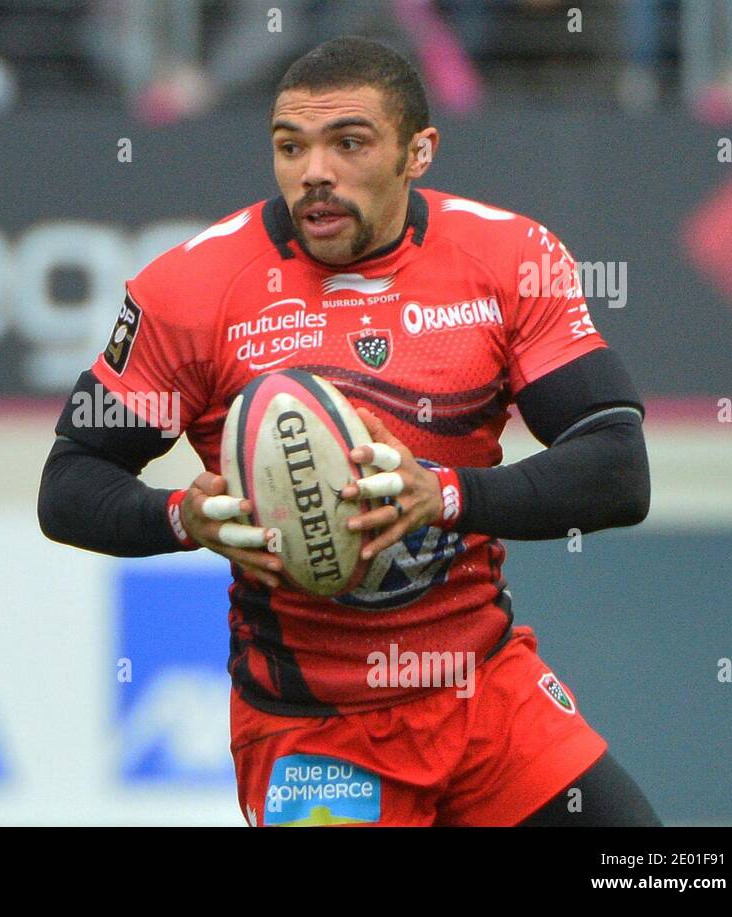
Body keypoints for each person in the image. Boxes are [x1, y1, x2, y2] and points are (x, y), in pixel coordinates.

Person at [38, 35, 659, 827]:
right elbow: (69, 482)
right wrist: (182, 518)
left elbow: (617, 466)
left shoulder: (510, 259)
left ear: (418, 152)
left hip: (485, 696)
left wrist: (441, 494)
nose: (315, 172)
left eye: (349, 142)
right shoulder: (189, 291)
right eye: (290, 146)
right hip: (314, 730)